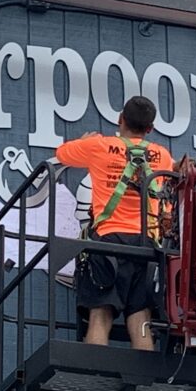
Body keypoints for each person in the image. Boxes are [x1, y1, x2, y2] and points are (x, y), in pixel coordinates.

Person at [56, 97, 172, 350]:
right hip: (146, 245)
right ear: (150, 129)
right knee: (141, 319)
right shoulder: (162, 155)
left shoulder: (100, 146)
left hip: (108, 241)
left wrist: (86, 141)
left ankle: (94, 374)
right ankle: (144, 383)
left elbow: (62, 153)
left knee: (100, 316)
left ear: (120, 118)